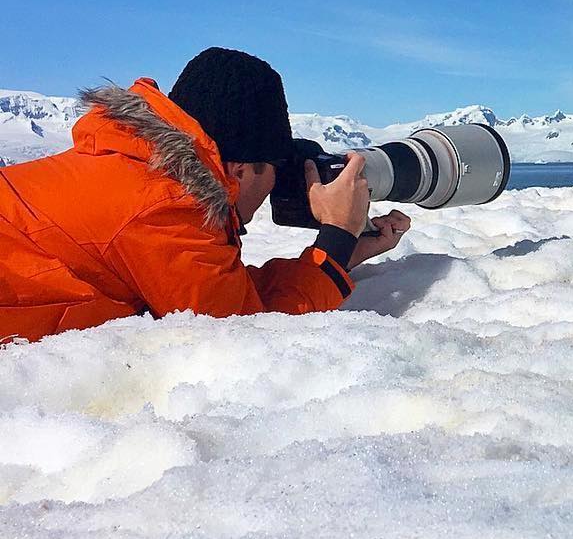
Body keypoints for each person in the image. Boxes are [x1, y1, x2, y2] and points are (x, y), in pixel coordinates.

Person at [0, 47, 410, 345]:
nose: (273, 187)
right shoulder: (163, 208)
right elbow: (242, 333)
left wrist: (344, 252)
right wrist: (336, 234)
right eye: (272, 169)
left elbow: (222, 292)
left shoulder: (138, 171)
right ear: (240, 168)